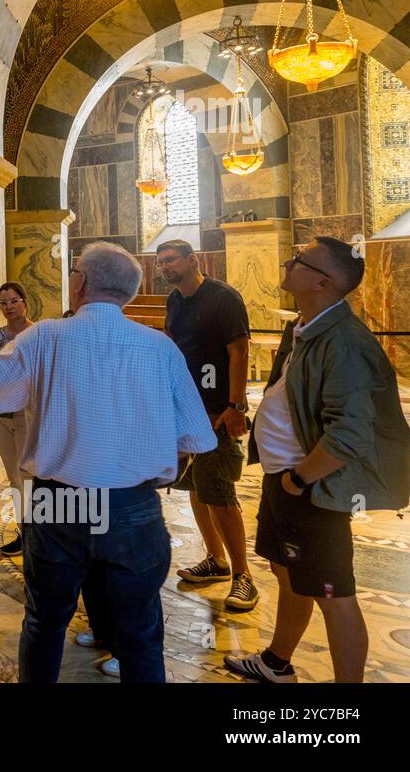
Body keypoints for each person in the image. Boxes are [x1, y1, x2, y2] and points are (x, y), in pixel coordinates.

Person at [0, 242, 216, 683]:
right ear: (130, 293)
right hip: (133, 506)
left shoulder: (44, 336)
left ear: (79, 283)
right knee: (140, 633)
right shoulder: (159, 347)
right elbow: (195, 434)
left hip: (59, 502)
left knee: (45, 623)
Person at [226, 237, 410, 683]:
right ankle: (277, 661)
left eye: (299, 259)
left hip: (314, 488)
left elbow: (351, 431)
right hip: (285, 476)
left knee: (332, 590)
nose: (289, 261)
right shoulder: (308, 326)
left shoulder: (344, 342)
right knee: (288, 570)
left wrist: (300, 479)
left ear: (322, 281)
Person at [155, 239, 257, 612]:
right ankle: (216, 559)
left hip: (216, 410)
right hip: (187, 409)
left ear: (192, 259)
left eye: (171, 260)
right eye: (160, 262)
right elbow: (173, 350)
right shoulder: (174, 301)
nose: (165, 267)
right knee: (195, 488)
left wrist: (235, 406)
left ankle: (243, 576)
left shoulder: (223, 297)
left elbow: (239, 351)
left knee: (219, 493)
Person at [0, 282, 35, 557]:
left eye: (13, 301)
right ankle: (23, 531)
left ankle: (38, 535)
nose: (8, 307)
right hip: (2, 416)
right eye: (3, 303)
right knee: (14, 477)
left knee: (30, 477)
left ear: (24, 302)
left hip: (28, 416)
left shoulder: (38, 333)